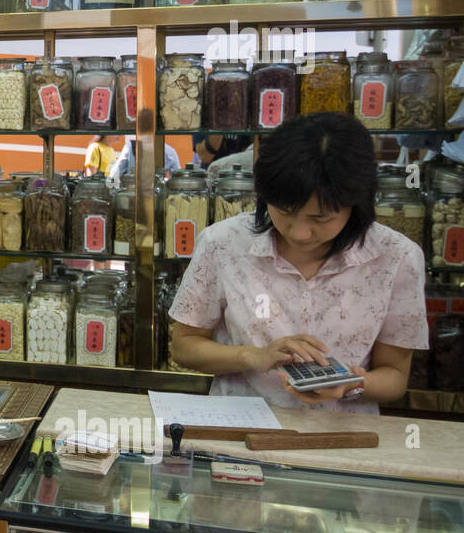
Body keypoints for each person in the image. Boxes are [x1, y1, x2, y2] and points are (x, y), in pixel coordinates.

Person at [169, 112, 428, 413]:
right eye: (284, 211)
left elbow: (395, 376)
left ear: (356, 204)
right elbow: (184, 346)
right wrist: (252, 356)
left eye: (321, 218)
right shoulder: (222, 243)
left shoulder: (397, 257)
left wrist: (353, 384)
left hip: (343, 437)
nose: (300, 232)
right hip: (241, 430)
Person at [107, 136, 182, 181]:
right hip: (158, 194)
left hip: (132, 195)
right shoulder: (170, 151)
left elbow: (114, 174)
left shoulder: (130, 147)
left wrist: (112, 194)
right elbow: (178, 180)